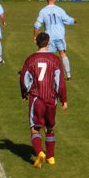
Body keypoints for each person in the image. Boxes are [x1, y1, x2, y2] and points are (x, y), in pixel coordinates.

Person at [20, 32, 68, 168]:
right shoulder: (55, 60)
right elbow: (60, 82)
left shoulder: (31, 59)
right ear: (48, 43)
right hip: (51, 99)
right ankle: (51, 157)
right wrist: (63, 99)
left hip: (37, 98)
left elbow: (23, 78)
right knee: (49, 127)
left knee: (35, 128)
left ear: (37, 42)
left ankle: (40, 152)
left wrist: (24, 92)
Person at [33, 0, 76, 80]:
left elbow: (37, 25)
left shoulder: (43, 11)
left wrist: (35, 36)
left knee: (49, 55)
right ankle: (68, 74)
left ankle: (48, 74)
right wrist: (74, 21)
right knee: (63, 54)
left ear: (47, 0)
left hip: (49, 37)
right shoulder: (59, 10)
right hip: (59, 36)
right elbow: (68, 19)